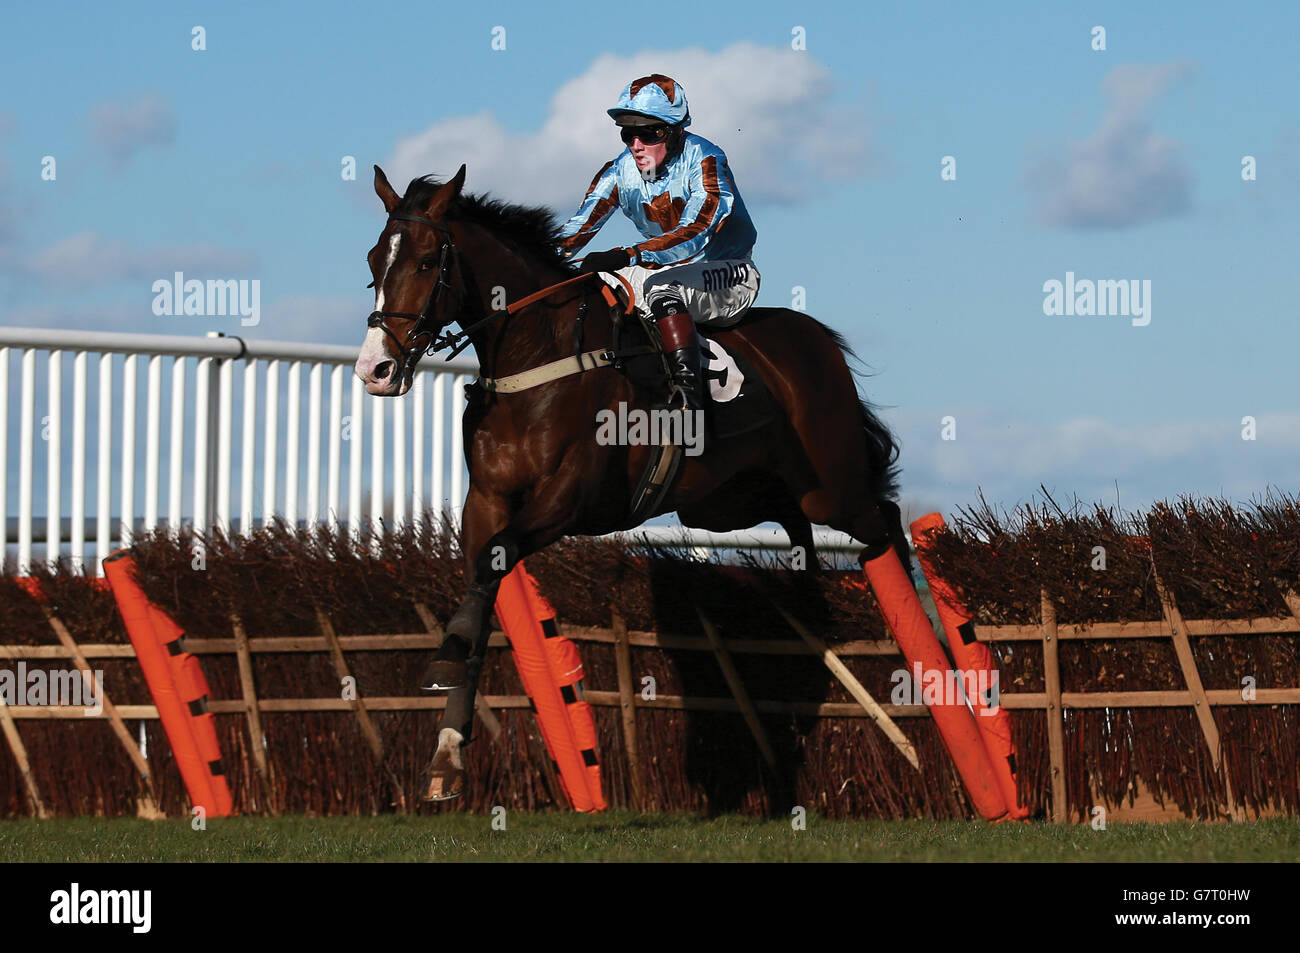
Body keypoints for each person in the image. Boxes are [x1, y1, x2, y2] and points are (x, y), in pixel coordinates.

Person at [557, 73, 760, 412]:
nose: (636, 144)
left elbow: (696, 229)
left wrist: (629, 253)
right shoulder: (620, 171)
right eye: (628, 133)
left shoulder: (707, 159)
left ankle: (686, 398)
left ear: (675, 132)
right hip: (663, 269)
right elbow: (577, 229)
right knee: (588, 285)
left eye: (648, 133)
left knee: (662, 289)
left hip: (730, 272)